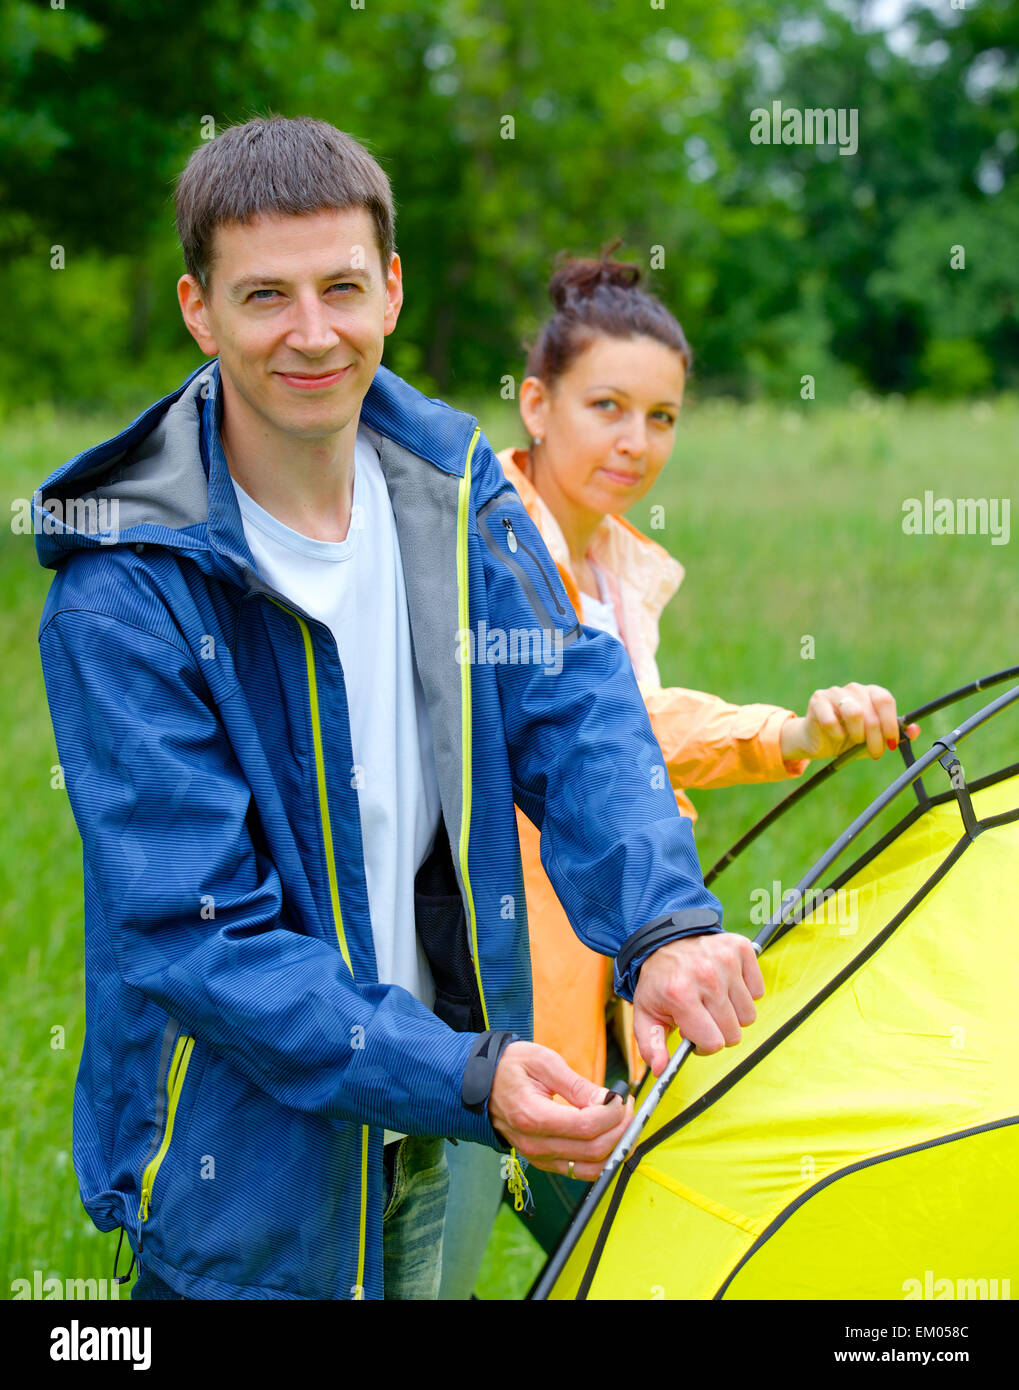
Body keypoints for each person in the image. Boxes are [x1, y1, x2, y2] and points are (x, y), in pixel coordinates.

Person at [34, 120, 766, 1302]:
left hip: (454, 1122)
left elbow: (572, 711)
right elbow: (198, 933)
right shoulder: (126, 590)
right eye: (264, 295)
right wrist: (468, 1075)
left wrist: (661, 925)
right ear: (197, 309)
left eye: (340, 287)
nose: (311, 333)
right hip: (252, 1167)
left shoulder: (456, 490)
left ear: (392, 288)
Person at [439, 249, 920, 1295]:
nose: (635, 442)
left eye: (660, 417)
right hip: (500, 980)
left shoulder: (621, 564)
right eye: (605, 406)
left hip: (617, 959)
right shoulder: (489, 552)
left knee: (627, 1253)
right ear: (534, 402)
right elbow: (619, 727)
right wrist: (788, 733)